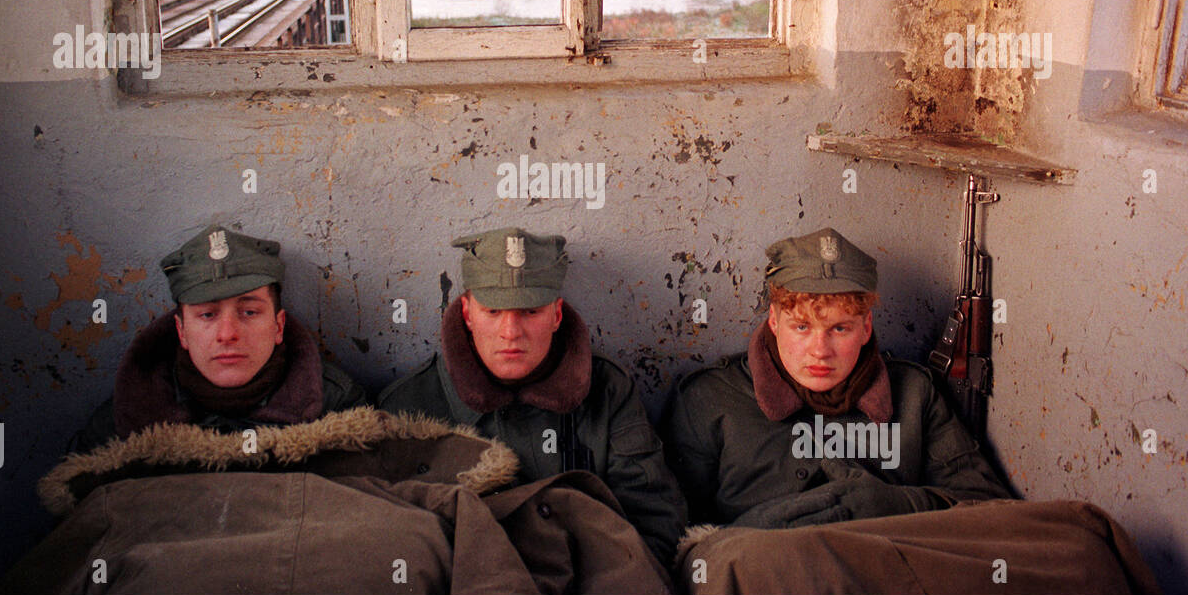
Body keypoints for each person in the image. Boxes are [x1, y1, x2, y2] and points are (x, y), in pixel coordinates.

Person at [664, 227, 1010, 531]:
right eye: (802, 327)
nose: (820, 351)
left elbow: (991, 510)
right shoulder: (711, 398)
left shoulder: (914, 394)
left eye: (840, 328)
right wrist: (758, 532)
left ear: (866, 328)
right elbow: (677, 538)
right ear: (774, 321)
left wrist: (900, 505)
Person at [378, 226, 686, 566]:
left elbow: (655, 520)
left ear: (556, 315)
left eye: (530, 311)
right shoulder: (409, 405)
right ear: (467, 314)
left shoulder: (607, 389)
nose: (510, 332)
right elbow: (396, 546)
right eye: (493, 311)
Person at [71, 224, 365, 452]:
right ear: (182, 332)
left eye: (249, 312)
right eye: (207, 315)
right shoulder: (124, 421)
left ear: (278, 326)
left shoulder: (335, 407)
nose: (227, 334)